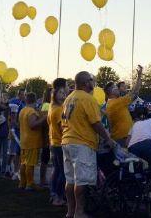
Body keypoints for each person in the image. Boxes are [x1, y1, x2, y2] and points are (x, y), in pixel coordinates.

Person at [62, 71, 116, 218]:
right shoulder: (87, 98)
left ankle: (70, 211)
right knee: (82, 181)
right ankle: (79, 212)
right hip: (82, 143)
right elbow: (96, 123)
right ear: (86, 83)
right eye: (91, 80)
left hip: (67, 141)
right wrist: (108, 138)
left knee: (70, 180)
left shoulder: (69, 98)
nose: (93, 82)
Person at [104, 64, 143, 147]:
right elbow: (135, 92)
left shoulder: (112, 102)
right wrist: (139, 76)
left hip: (121, 137)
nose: (118, 89)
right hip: (122, 138)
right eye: (115, 88)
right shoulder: (117, 102)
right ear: (111, 92)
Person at [18, 92, 47, 190]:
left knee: (23, 163)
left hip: (24, 140)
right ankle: (30, 183)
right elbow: (32, 125)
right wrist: (44, 118)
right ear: (35, 100)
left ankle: (22, 183)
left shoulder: (23, 110)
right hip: (31, 141)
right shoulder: (31, 112)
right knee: (30, 164)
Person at [128, 106, 151, 184]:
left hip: (133, 147)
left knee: (136, 170)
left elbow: (128, 141)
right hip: (148, 145)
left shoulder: (134, 124)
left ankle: (139, 184)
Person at [49, 78, 68, 206]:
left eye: (64, 93)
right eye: (60, 93)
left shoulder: (52, 107)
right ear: (55, 95)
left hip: (53, 142)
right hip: (60, 143)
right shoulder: (59, 109)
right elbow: (63, 128)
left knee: (57, 170)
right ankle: (59, 196)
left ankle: (53, 194)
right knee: (63, 172)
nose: (64, 95)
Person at [39, 87, 51, 188]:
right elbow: (45, 120)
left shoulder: (47, 104)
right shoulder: (46, 105)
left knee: (46, 157)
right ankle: (42, 179)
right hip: (47, 134)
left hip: (48, 134)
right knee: (45, 157)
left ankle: (43, 179)